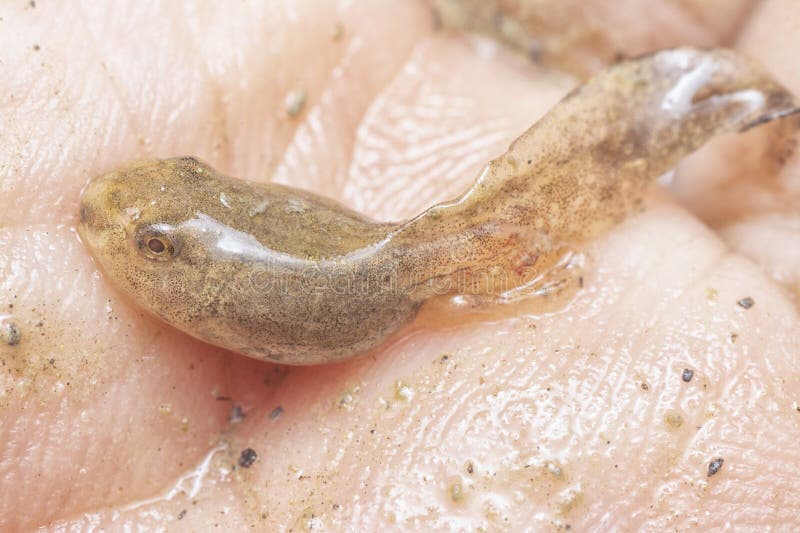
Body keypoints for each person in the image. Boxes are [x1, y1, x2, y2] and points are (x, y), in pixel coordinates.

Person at [2, 1, 798, 530]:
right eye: (156, 244)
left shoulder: (408, 277)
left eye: (153, 245)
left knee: (443, 267)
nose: (107, 225)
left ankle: (692, 102)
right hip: (385, 265)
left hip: (399, 273)